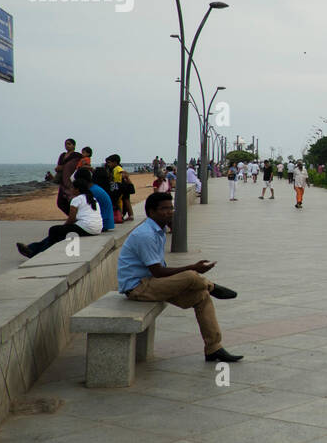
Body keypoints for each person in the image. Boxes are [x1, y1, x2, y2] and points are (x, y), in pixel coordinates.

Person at [117, 192, 242, 362]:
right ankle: (211, 286)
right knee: (191, 276)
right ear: (151, 212)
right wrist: (192, 268)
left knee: (201, 296)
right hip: (138, 287)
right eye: (164, 209)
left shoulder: (158, 231)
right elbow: (158, 272)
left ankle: (214, 348)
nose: (170, 212)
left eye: (171, 208)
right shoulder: (145, 235)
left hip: (153, 283)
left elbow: (159, 272)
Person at [16, 168, 105, 257]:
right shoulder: (92, 198)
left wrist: (64, 226)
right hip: (96, 228)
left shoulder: (76, 199)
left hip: (87, 228)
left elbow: (71, 219)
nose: (71, 190)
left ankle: (37, 253)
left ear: (77, 190)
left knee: (54, 230)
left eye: (72, 188)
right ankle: (32, 248)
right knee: (57, 233)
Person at [56, 146, 86, 215]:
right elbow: (58, 166)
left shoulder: (77, 156)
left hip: (72, 182)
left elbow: (82, 166)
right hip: (63, 182)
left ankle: (75, 216)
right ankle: (71, 216)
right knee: (60, 202)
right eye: (66, 144)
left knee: (72, 200)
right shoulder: (62, 156)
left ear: (74, 146)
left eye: (69, 144)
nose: (67, 146)